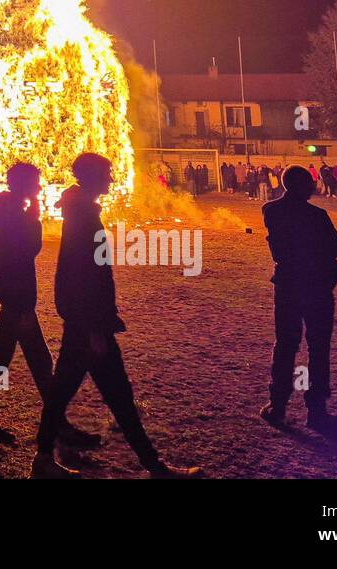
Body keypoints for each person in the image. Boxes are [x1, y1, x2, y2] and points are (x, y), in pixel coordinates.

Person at [32, 153, 199, 479]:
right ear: (93, 177)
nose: (111, 178)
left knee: (68, 393)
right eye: (106, 173)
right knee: (114, 397)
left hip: (87, 323)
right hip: (90, 327)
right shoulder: (82, 217)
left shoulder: (82, 212)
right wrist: (93, 328)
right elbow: (82, 274)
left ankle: (44, 459)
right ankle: (154, 467)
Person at [0, 162, 95, 448]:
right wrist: (35, 218)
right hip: (18, 298)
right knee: (36, 362)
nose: (39, 186)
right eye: (35, 182)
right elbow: (27, 249)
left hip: (15, 296)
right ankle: (56, 426)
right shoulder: (12, 214)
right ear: (24, 184)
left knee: (8, 360)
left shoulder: (9, 210)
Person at [259, 164, 337, 433]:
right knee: (318, 348)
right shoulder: (317, 216)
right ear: (302, 186)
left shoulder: (271, 211)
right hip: (316, 287)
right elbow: (335, 248)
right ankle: (316, 411)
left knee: (286, 344)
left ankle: (278, 405)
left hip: (288, 286)